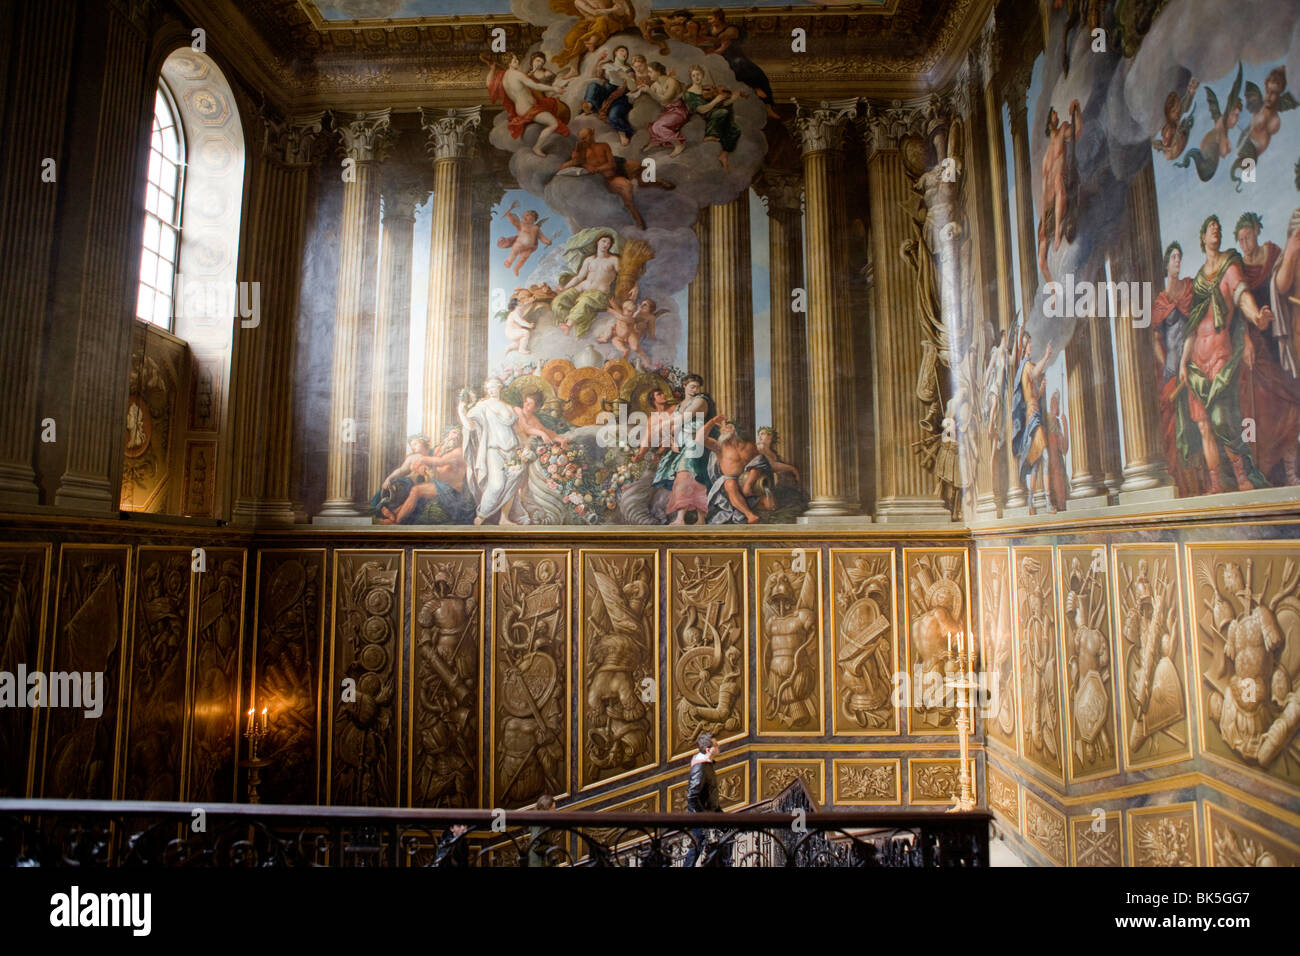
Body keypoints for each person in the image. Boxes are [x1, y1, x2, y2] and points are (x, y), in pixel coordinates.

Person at [1175, 214, 1275, 492]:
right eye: (1210, 227)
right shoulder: (1197, 282)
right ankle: (1216, 483)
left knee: (1222, 418)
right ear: (1203, 239)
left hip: (1220, 354)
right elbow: (1192, 328)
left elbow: (1242, 295)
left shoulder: (1230, 265)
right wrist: (1183, 362)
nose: (1216, 229)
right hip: (1196, 360)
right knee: (1204, 426)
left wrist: (1257, 317)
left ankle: (1243, 477)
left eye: (1218, 227)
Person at [457, 377, 532, 525]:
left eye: (494, 387)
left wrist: (526, 447)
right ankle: (481, 516)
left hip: (512, 451)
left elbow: (518, 431)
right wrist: (460, 411)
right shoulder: (482, 406)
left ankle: (504, 518)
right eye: (489, 388)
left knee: (511, 484)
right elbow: (470, 426)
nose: (491, 390)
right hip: (494, 451)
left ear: (500, 388)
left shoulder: (508, 407)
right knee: (497, 485)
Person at [481, 51, 569, 158]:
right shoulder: (517, 74)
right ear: (509, 64)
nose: (517, 61)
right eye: (514, 60)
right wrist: (553, 88)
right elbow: (536, 86)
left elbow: (488, 84)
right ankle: (537, 147)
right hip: (530, 109)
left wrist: (492, 68)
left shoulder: (503, 77)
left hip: (522, 109)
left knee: (552, 103)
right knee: (554, 123)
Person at [683, 65, 743, 169]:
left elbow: (720, 105)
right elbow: (701, 109)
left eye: (698, 75)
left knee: (735, 129)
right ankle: (709, 135)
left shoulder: (706, 89)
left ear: (703, 75)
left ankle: (723, 155)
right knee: (722, 112)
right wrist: (716, 100)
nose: (696, 78)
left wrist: (732, 99)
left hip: (713, 113)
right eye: (693, 76)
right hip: (700, 117)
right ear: (691, 77)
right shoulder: (689, 94)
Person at [683, 732, 724, 867]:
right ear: (708, 750)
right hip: (701, 817)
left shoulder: (706, 764)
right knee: (695, 849)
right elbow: (692, 796)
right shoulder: (700, 767)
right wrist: (703, 816)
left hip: (711, 813)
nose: (719, 746)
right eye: (716, 745)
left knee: (725, 836)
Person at [634, 61, 689, 158]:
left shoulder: (672, 81)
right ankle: (655, 142)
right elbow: (656, 98)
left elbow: (665, 99)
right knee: (651, 126)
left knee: (658, 126)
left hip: (678, 111)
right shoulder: (655, 85)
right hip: (668, 111)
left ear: (658, 72)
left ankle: (679, 144)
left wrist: (650, 91)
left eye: (650, 72)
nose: (648, 74)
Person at [528, 793, 558, 867]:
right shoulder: (538, 823)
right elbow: (536, 846)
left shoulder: (544, 821)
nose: (555, 811)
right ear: (546, 808)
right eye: (553, 808)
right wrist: (550, 847)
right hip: (538, 862)